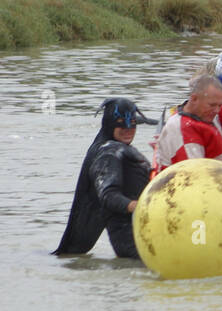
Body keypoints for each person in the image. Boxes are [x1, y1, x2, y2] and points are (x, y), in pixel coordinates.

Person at [54, 99, 157, 260]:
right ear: (109, 124)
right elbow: (108, 194)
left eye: (133, 124)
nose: (128, 129)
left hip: (144, 232)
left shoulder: (122, 148)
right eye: (121, 124)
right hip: (131, 240)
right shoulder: (107, 154)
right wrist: (136, 206)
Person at [155, 76, 222, 169]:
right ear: (194, 99)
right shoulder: (181, 129)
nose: (217, 110)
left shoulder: (207, 114)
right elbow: (195, 175)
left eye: (220, 105)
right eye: (212, 105)